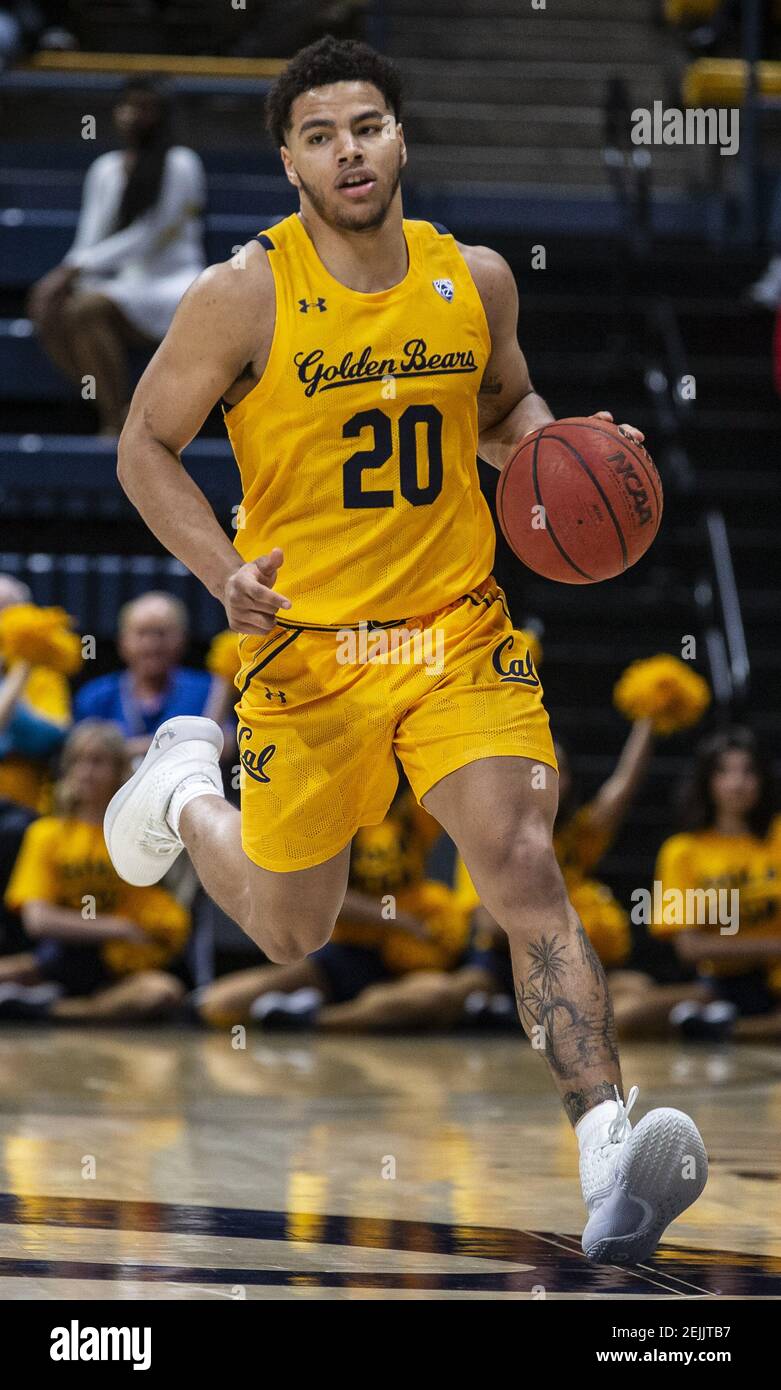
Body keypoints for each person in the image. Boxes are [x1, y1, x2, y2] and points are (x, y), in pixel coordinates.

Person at [103, 35, 707, 1264]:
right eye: (320, 136)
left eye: (367, 126)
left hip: (453, 636)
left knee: (521, 860)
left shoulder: (472, 279)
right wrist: (222, 573)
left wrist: (566, 451)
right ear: (289, 163)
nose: (349, 152)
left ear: (401, 139)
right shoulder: (242, 295)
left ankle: (607, 1147)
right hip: (308, 654)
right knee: (294, 932)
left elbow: (506, 412)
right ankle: (185, 789)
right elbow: (142, 446)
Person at [195, 779, 472, 1030]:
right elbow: (311, 894)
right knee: (220, 1004)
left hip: (405, 958)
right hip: (345, 949)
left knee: (437, 995)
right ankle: (329, 1010)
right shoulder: (332, 804)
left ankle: (311, 1018)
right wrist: (398, 919)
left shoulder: (412, 806)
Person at [27, 79, 206, 434]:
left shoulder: (182, 163)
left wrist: (74, 269)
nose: (132, 115)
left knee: (84, 310)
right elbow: (89, 236)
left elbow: (151, 236)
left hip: (174, 283)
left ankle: (116, 423)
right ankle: (118, 413)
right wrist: (65, 278)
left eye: (144, 107)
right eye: (127, 106)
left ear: (162, 114)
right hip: (125, 283)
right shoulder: (104, 168)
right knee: (49, 309)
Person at [0, 720, 188, 1022]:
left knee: (162, 992)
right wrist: (119, 927)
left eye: (98, 761)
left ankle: (52, 1010)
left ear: (119, 771)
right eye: (78, 761)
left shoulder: (138, 837)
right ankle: (62, 1005)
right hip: (58, 956)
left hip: (118, 966)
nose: (86, 771)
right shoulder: (46, 833)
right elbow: (38, 920)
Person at [618, 728, 781, 1042]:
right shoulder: (682, 851)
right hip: (719, 983)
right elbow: (690, 947)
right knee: (625, 1019)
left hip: (776, 981)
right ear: (707, 781)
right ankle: (726, 1025)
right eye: (724, 772)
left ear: (762, 779)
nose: (737, 783)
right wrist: (775, 946)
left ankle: (724, 1028)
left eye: (748, 771)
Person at [74, 591, 217, 763]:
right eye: (141, 633)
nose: (152, 645)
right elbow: (80, 756)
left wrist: (122, 749)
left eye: (161, 634)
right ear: (122, 641)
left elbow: (224, 745)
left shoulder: (208, 692)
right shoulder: (95, 696)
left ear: (183, 639)